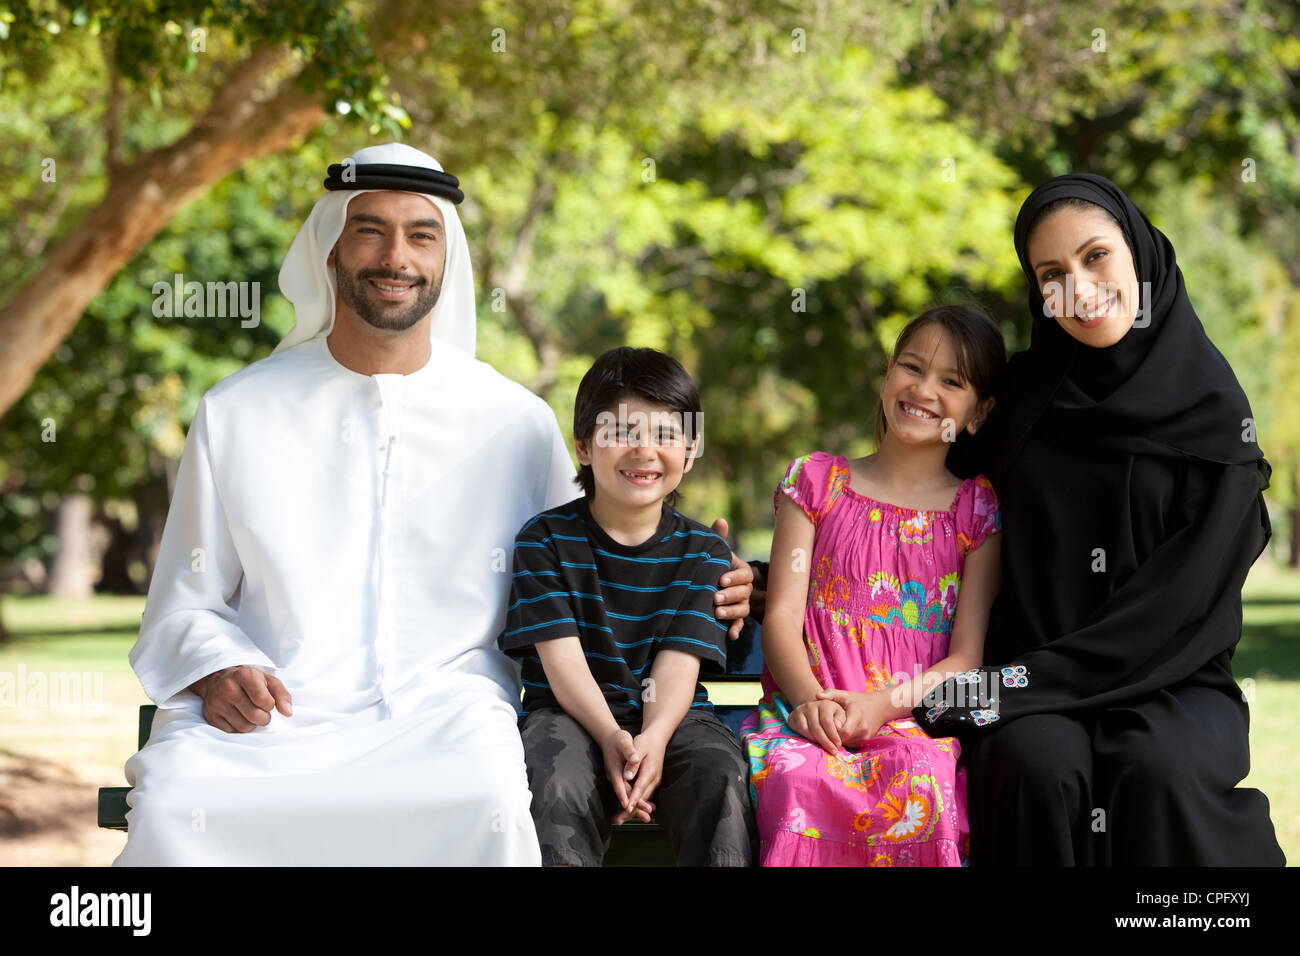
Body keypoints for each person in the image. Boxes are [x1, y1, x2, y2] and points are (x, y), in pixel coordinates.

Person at [114, 143, 752, 866]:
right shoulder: (239, 411)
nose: (397, 256)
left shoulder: (513, 420)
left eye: (422, 235)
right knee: (175, 806)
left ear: (447, 261)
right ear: (329, 249)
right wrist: (216, 665)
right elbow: (185, 602)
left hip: (447, 716)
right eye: (370, 230)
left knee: (485, 803)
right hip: (276, 721)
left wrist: (714, 580)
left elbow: (596, 561)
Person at [916, 173, 1286, 866]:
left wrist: (1010, 685)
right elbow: (919, 511)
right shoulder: (1018, 403)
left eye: (1095, 257)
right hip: (1024, 676)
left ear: (1139, 252)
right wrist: (777, 574)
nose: (1078, 290)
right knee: (1036, 766)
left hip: (1173, 676)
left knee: (1161, 770)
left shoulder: (1212, 418)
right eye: (1051, 273)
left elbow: (1179, 604)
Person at [741, 305, 1005, 866]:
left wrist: (882, 707)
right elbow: (783, 617)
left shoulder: (976, 511)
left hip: (908, 719)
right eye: (911, 367)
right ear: (887, 375)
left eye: (951, 382)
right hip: (805, 713)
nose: (923, 389)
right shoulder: (815, 483)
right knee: (797, 780)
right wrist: (811, 702)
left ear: (978, 413)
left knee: (923, 781)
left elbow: (966, 657)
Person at [502, 347, 756, 866]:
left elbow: (677, 665)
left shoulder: (703, 553)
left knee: (718, 773)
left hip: (675, 719)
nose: (644, 450)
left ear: (689, 451)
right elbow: (563, 661)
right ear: (584, 447)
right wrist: (612, 736)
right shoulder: (545, 542)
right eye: (621, 432)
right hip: (569, 715)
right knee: (554, 780)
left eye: (665, 435)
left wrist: (654, 739)